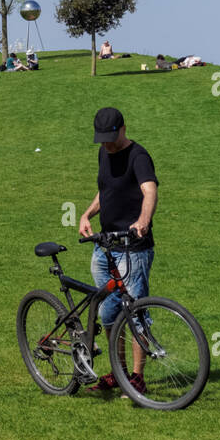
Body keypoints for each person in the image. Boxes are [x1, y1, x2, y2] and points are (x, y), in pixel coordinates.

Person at [78, 107, 157, 394]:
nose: (107, 144)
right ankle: (118, 373)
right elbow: (105, 190)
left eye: (110, 138)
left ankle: (137, 377)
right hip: (105, 248)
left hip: (133, 248)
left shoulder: (139, 156)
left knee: (135, 313)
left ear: (123, 129)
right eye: (102, 139)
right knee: (110, 313)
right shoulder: (104, 152)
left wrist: (143, 222)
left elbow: (149, 191)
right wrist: (87, 214)